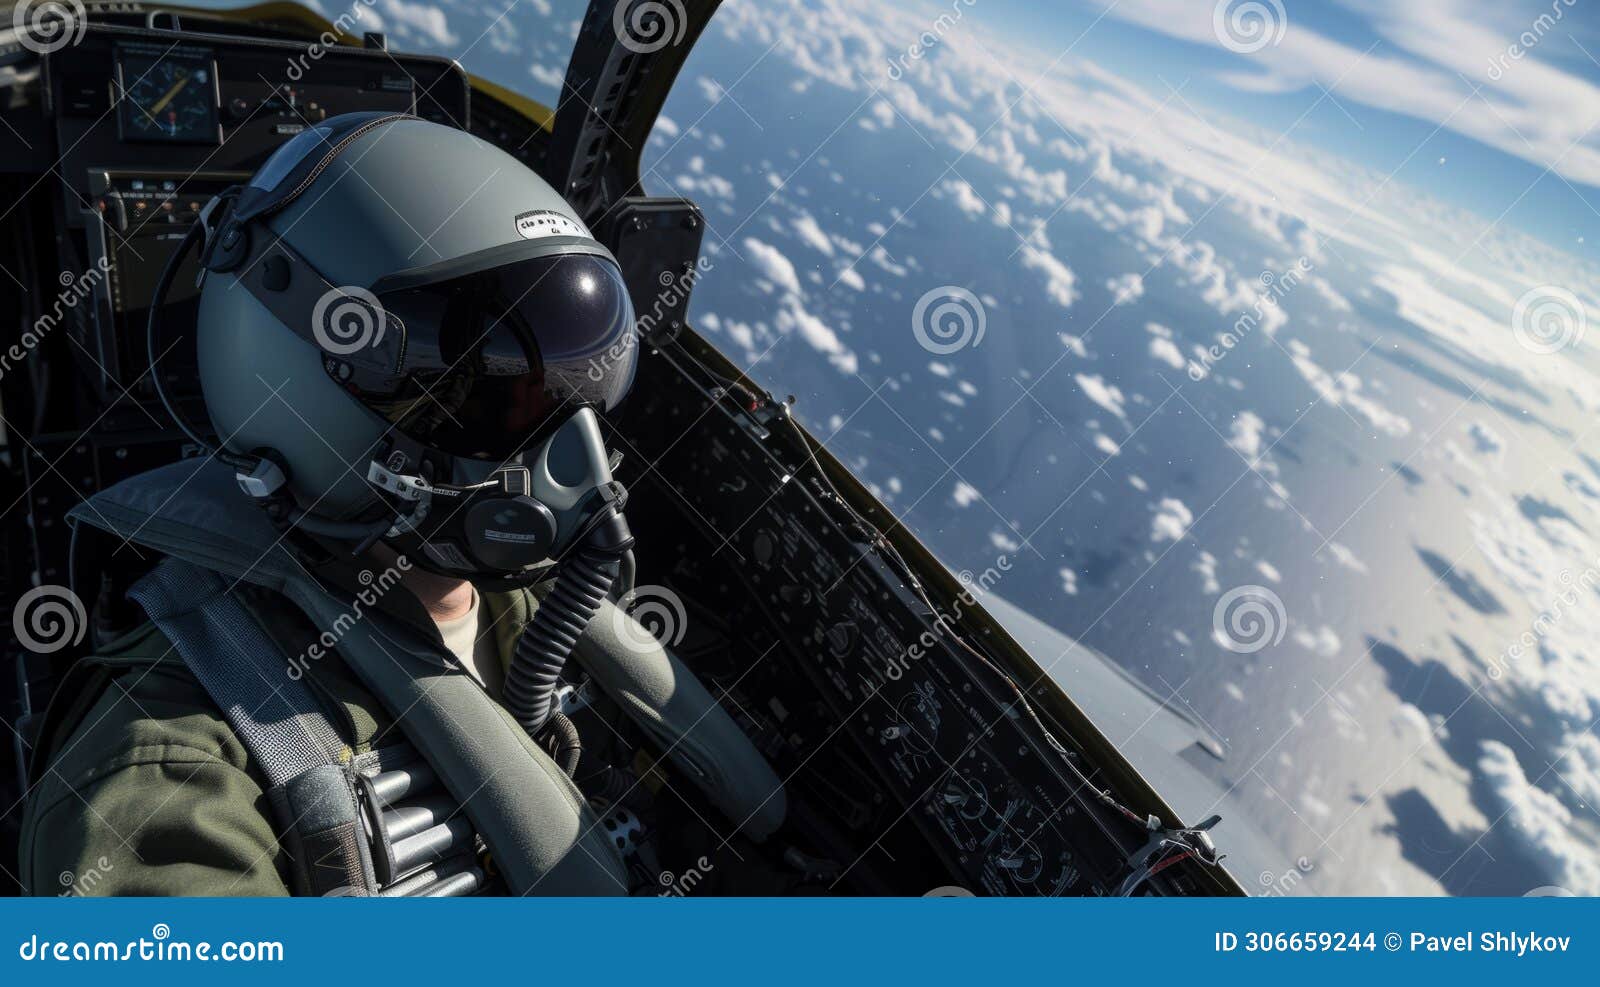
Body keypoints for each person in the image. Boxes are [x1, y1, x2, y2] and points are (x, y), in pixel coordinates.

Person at [18, 113, 784, 896]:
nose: (577, 452)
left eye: (579, 382)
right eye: (501, 399)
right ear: (311, 397)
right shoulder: (169, 774)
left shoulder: (537, 605)